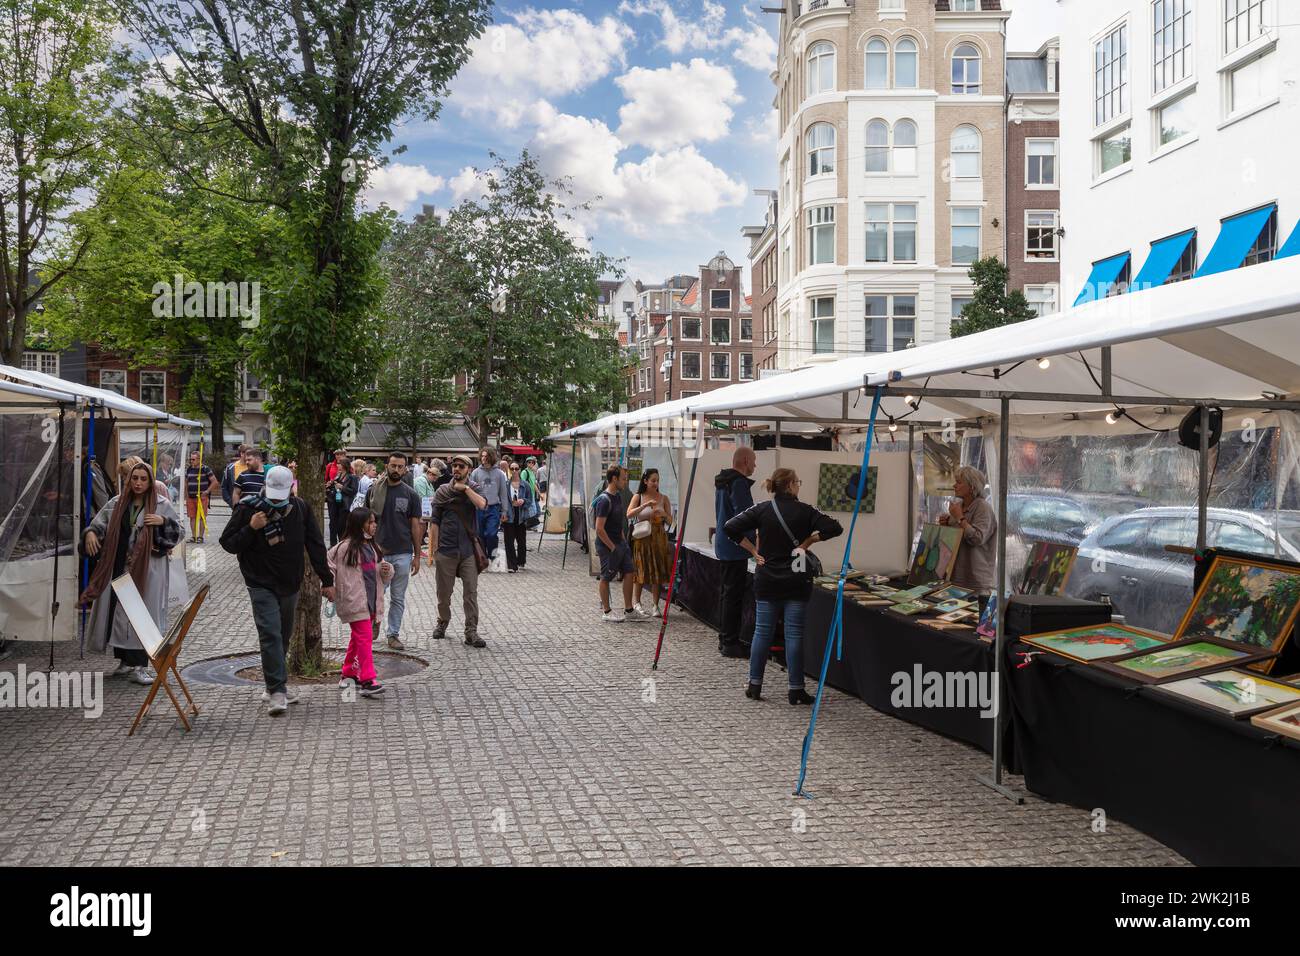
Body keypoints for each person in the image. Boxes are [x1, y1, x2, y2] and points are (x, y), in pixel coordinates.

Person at [221, 465, 335, 716]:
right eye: (272, 495)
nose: (276, 501)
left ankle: (271, 682)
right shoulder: (247, 508)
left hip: (289, 583)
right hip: (259, 582)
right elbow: (228, 543)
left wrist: (327, 580)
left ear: (291, 489)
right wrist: (251, 527)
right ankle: (277, 691)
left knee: (282, 636)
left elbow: (315, 545)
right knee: (270, 634)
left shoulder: (300, 509)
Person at [724, 467, 842, 706]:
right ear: (789, 485)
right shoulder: (806, 511)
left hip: (767, 576)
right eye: (797, 482)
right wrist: (808, 541)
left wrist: (754, 551)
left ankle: (754, 685)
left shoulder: (762, 509)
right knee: (794, 634)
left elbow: (730, 527)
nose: (799, 485)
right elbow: (835, 528)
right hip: (797, 576)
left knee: (762, 632)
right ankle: (796, 688)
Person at [81, 462, 183, 685]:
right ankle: (125, 662)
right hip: (118, 567)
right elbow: (99, 523)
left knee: (141, 615)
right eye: (134, 478)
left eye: (143, 479)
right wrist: (90, 533)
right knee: (118, 613)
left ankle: (140, 666)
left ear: (149, 481)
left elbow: (179, 532)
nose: (138, 483)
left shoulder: (161, 504)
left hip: (148, 570)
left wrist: (163, 521)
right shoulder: (117, 503)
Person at [327, 508, 393, 698]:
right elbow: (327, 565)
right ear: (359, 524)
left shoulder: (372, 547)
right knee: (364, 637)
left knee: (358, 639)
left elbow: (380, 573)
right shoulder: (344, 547)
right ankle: (367, 680)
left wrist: (387, 570)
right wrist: (329, 585)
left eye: (375, 522)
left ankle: (348, 674)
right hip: (354, 601)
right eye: (370, 522)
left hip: (371, 601)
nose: (374, 526)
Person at [362, 452, 423, 650]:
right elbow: (364, 520)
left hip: (403, 552)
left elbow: (415, 526)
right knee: (375, 594)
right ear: (387, 466)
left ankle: (393, 634)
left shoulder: (411, 494)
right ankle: (375, 622)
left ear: (405, 469)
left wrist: (416, 555)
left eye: (400, 467)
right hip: (378, 551)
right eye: (393, 466)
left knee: (398, 597)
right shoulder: (374, 491)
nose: (396, 470)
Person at [427, 454, 488, 647]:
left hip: (468, 550)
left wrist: (466, 489)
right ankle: (442, 622)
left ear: (469, 469)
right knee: (443, 594)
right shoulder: (443, 491)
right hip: (446, 549)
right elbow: (434, 522)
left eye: (462, 466)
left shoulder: (474, 488)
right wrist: (433, 550)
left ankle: (471, 631)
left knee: (470, 593)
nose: (457, 469)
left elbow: (482, 504)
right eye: (455, 466)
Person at [593, 465, 652, 623]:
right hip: (607, 546)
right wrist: (612, 547)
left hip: (620, 543)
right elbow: (599, 529)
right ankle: (607, 611)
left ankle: (629, 610)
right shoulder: (604, 501)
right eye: (624, 479)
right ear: (614, 479)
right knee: (606, 577)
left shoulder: (618, 496)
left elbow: (619, 521)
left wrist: (623, 542)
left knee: (629, 572)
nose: (626, 482)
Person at [714, 447, 757, 658]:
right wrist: (754, 543)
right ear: (746, 460)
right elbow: (744, 515)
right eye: (754, 461)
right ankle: (730, 642)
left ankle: (726, 638)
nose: (755, 466)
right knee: (733, 596)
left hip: (725, 544)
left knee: (727, 594)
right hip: (735, 546)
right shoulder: (738, 483)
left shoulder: (724, 482)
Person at [937, 465, 998, 608]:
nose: (954, 485)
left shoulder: (983, 508)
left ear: (972, 486)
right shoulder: (960, 506)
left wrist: (959, 518)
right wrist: (946, 525)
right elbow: (954, 540)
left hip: (975, 584)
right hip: (955, 579)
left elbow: (977, 538)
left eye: (958, 482)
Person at [628, 468, 673, 614]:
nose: (656, 483)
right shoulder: (638, 496)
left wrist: (664, 514)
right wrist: (645, 506)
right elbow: (628, 514)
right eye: (653, 480)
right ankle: (637, 603)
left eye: (657, 480)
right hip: (642, 538)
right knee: (641, 569)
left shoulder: (663, 498)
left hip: (659, 537)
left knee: (657, 571)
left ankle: (655, 605)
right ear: (645, 481)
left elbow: (672, 521)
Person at [471, 447, 509, 560]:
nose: (483, 458)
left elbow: (503, 493)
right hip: (479, 509)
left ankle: (492, 556)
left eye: (485, 456)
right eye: (482, 456)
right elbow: (471, 491)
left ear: (491, 457)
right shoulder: (475, 473)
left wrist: (504, 511)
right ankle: (482, 559)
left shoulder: (500, 474)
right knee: (480, 535)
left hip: (494, 508)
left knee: (491, 534)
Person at [502, 461, 536, 572]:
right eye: (512, 469)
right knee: (508, 541)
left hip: (521, 514)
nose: (514, 471)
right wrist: (502, 513)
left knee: (521, 541)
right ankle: (512, 565)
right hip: (508, 513)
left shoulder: (525, 485)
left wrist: (523, 501)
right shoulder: (506, 485)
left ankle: (521, 560)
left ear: (520, 470)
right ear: (509, 470)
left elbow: (530, 500)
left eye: (516, 468)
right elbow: (501, 499)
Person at [184, 449, 219, 543]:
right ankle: (193, 536)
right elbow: (186, 482)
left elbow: (215, 482)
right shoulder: (189, 469)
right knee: (192, 517)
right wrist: (186, 496)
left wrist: (207, 491)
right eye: (190, 459)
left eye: (193, 459)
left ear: (199, 459)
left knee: (201, 517)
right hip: (191, 497)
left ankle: (200, 536)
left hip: (201, 497)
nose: (191, 461)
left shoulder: (205, 469)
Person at [325, 449, 351, 546]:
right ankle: (333, 545)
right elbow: (326, 479)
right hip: (333, 498)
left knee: (342, 524)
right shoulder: (330, 465)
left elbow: (351, 485)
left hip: (343, 501)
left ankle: (341, 545)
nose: (338, 456)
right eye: (337, 454)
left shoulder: (349, 472)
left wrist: (341, 487)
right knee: (332, 523)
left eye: (341, 454)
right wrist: (328, 485)